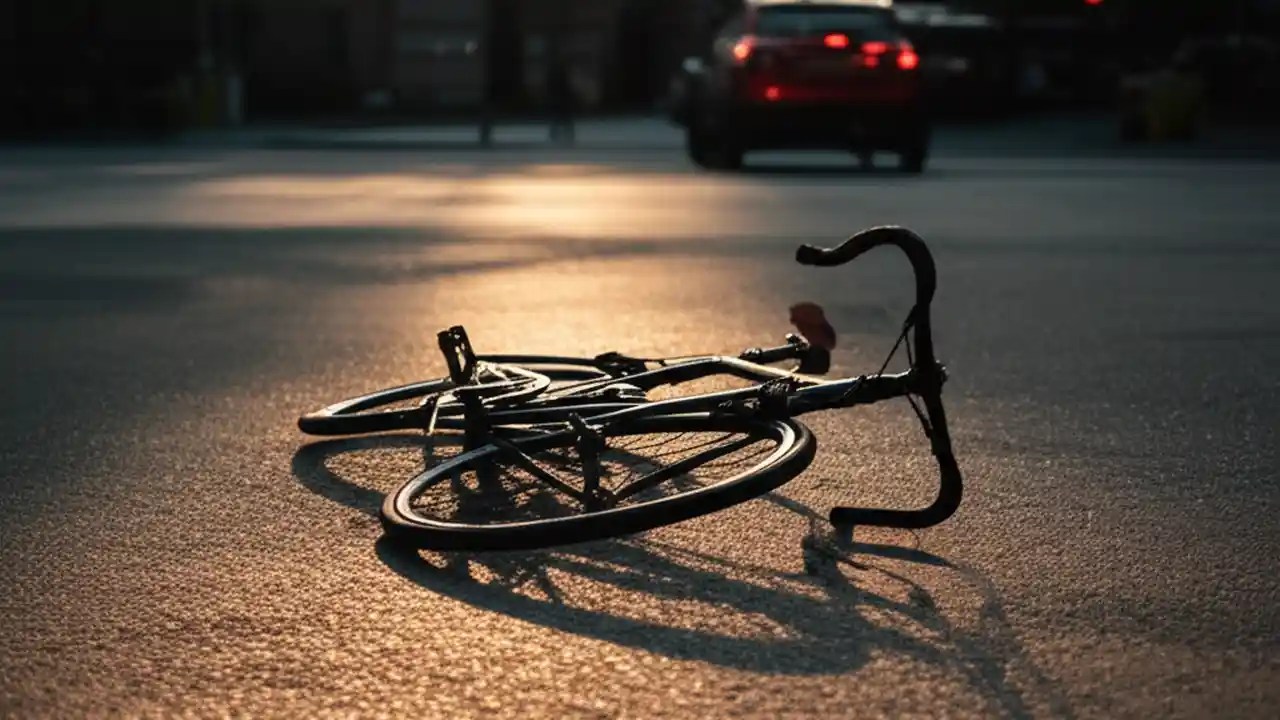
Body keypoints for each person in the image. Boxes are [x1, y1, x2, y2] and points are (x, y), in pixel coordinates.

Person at [546, 46, 576, 145]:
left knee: (558, 117)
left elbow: (553, 84)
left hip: (558, 98)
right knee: (563, 117)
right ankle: (565, 134)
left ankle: (556, 134)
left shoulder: (555, 69)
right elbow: (564, 84)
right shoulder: (559, 70)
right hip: (560, 98)